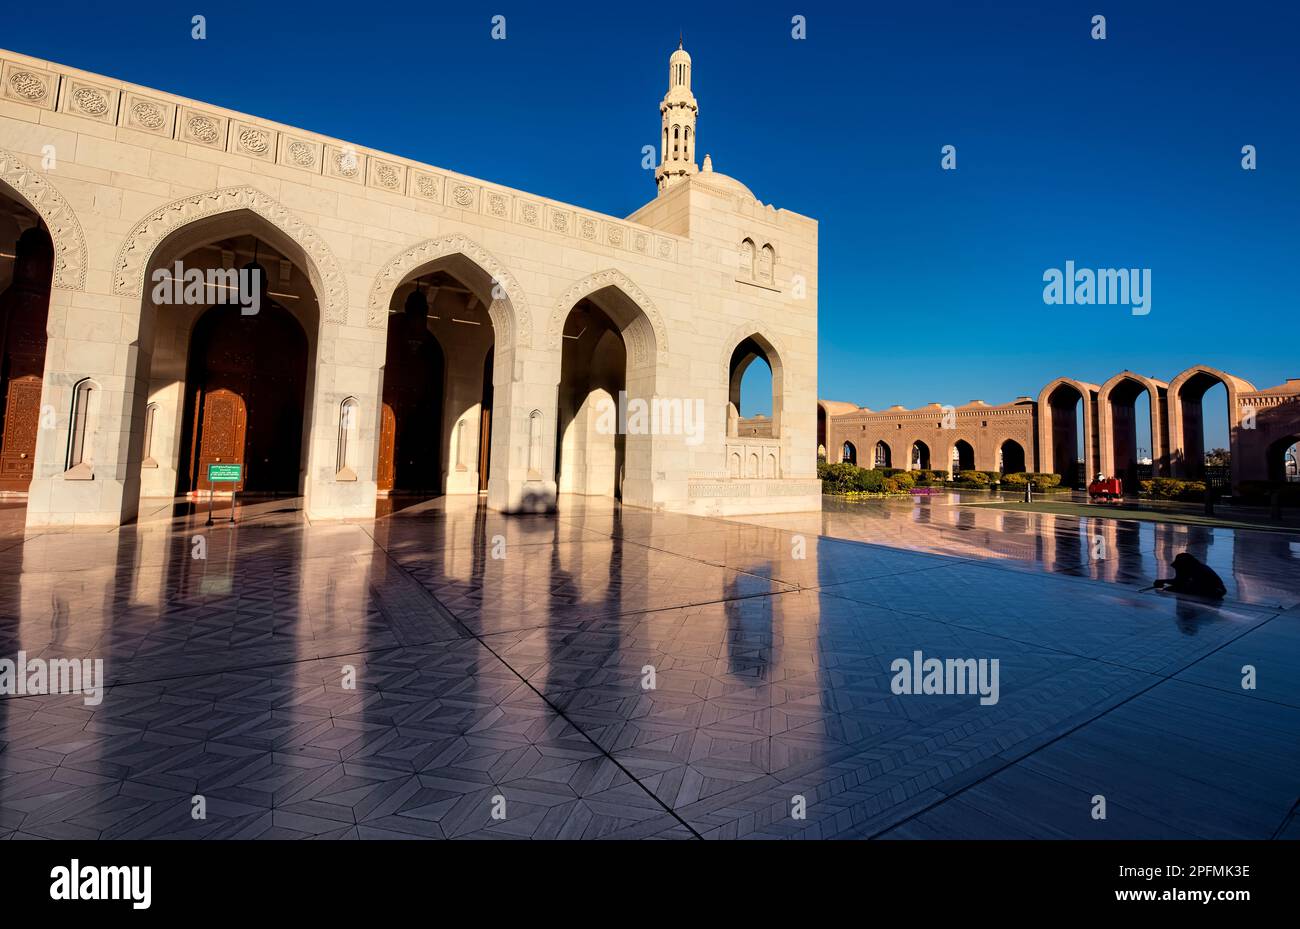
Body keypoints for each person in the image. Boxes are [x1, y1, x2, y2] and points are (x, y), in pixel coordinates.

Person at [1154, 552, 1227, 599]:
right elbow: (1179, 581)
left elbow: (1180, 582)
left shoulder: (1197, 570)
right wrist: (1164, 582)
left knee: (1177, 589)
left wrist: (1164, 583)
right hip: (1216, 590)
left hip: (1214, 591)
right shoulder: (1195, 567)